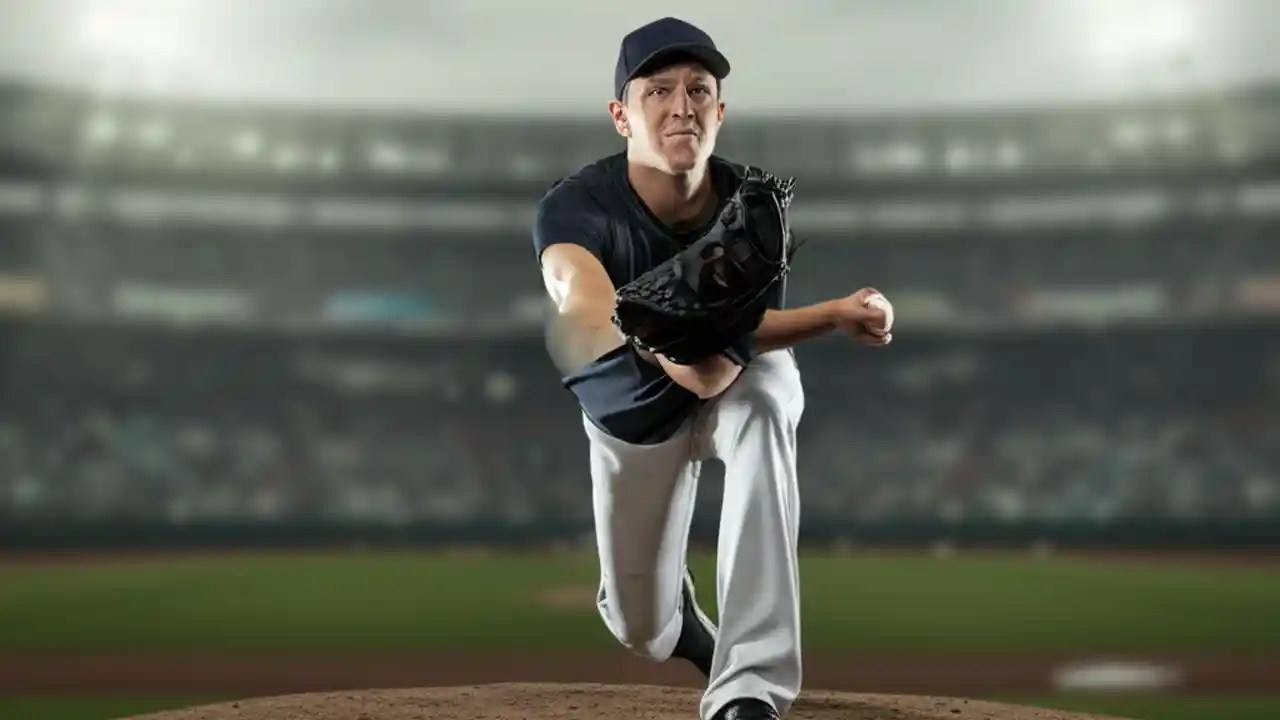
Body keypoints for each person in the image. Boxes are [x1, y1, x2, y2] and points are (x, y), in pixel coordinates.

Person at [531, 17, 892, 720]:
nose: (680, 105)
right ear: (621, 116)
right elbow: (579, 293)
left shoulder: (752, 208)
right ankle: (686, 625)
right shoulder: (576, 206)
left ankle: (749, 684)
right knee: (640, 627)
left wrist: (823, 314)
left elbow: (716, 372)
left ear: (719, 112)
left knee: (765, 400)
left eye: (699, 89)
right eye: (657, 90)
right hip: (630, 418)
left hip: (729, 383)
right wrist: (835, 313)